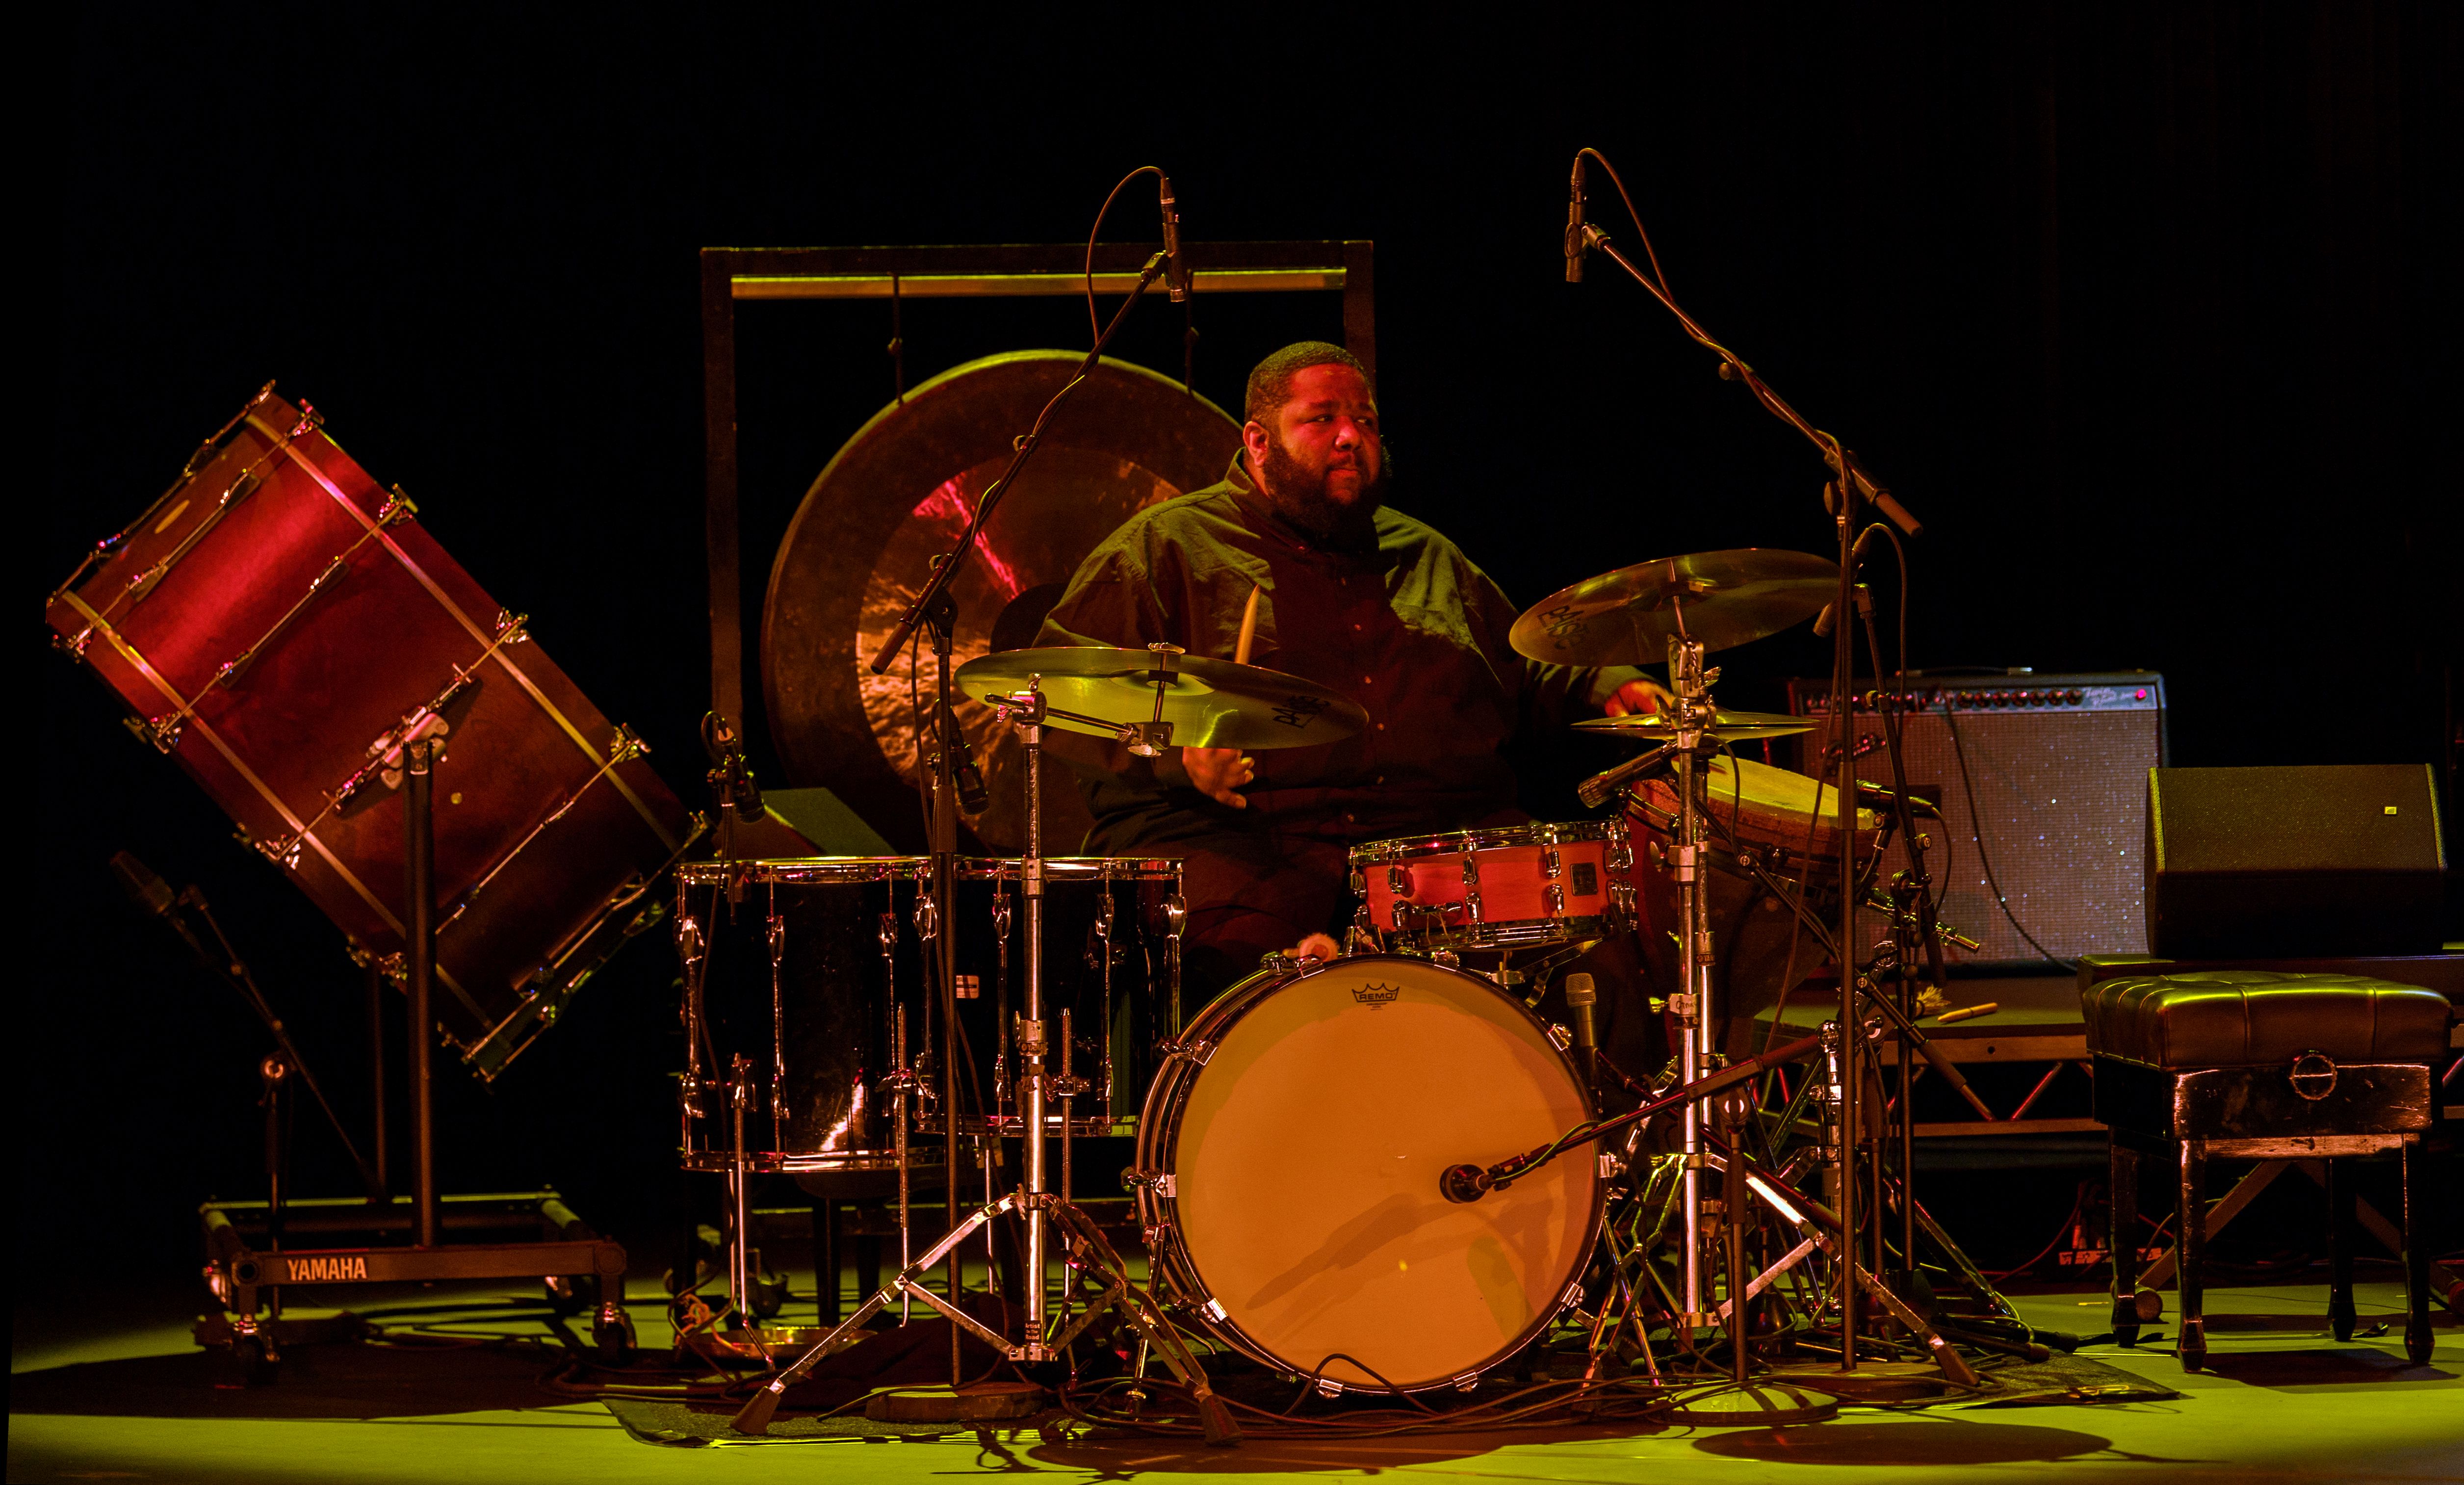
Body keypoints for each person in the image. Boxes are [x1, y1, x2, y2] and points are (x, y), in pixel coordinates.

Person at [1037, 341, 1666, 994]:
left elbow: (1520, 669)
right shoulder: (1167, 547)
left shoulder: (1424, 553)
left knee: (1598, 968)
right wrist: (1179, 759)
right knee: (1239, 975)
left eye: (1365, 420)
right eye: (1322, 419)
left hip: (1432, 842)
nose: (1350, 437)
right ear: (1257, 441)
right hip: (1247, 839)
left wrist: (1608, 682)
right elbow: (1063, 697)